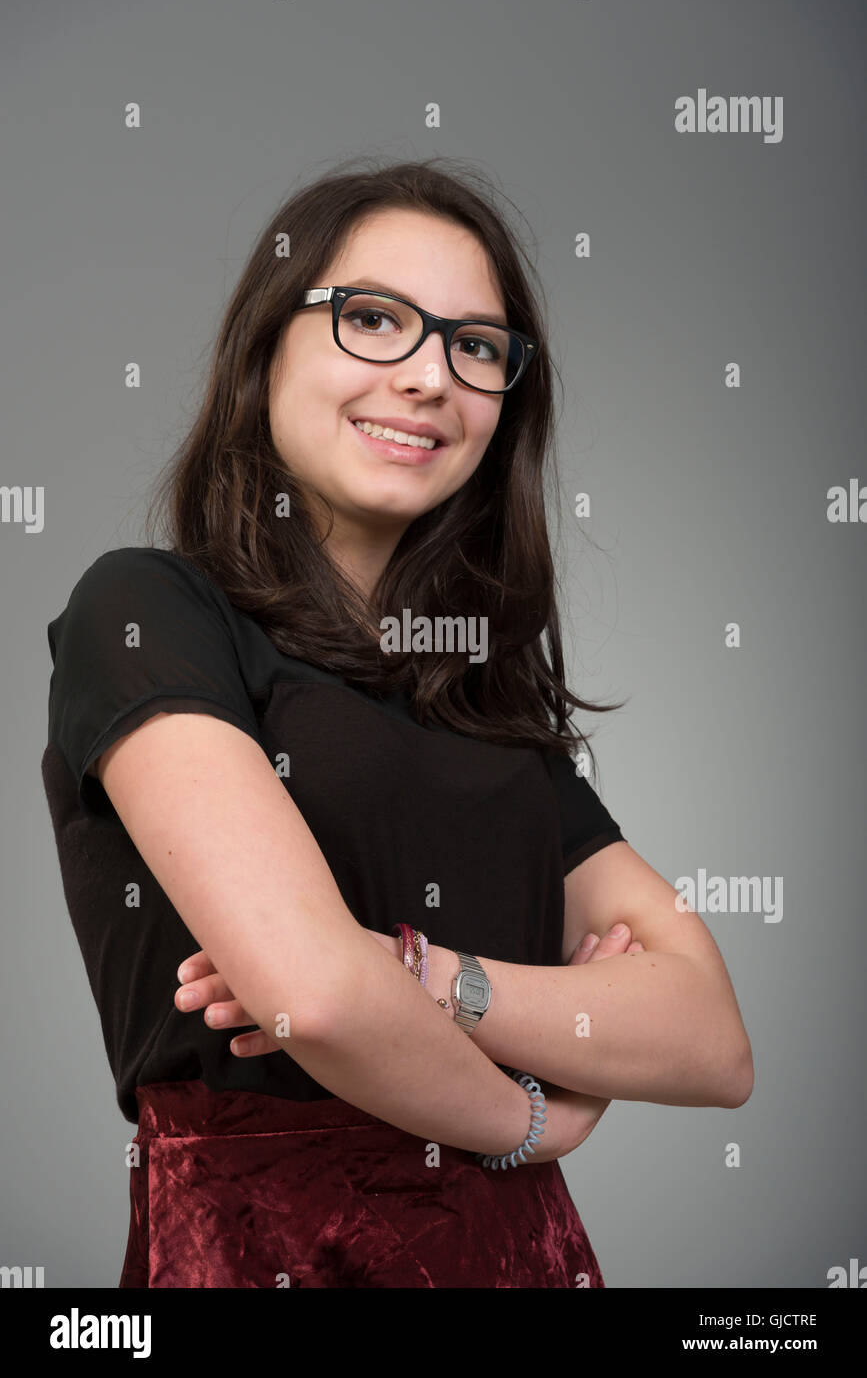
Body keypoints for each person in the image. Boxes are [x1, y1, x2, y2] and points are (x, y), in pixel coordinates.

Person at [42, 157, 753, 1289]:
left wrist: (424, 978)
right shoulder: (145, 612)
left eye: (475, 344)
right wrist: (536, 1118)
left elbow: (711, 1038)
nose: (429, 376)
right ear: (266, 346)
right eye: (373, 318)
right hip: (269, 1255)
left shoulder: (481, 706)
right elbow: (313, 998)